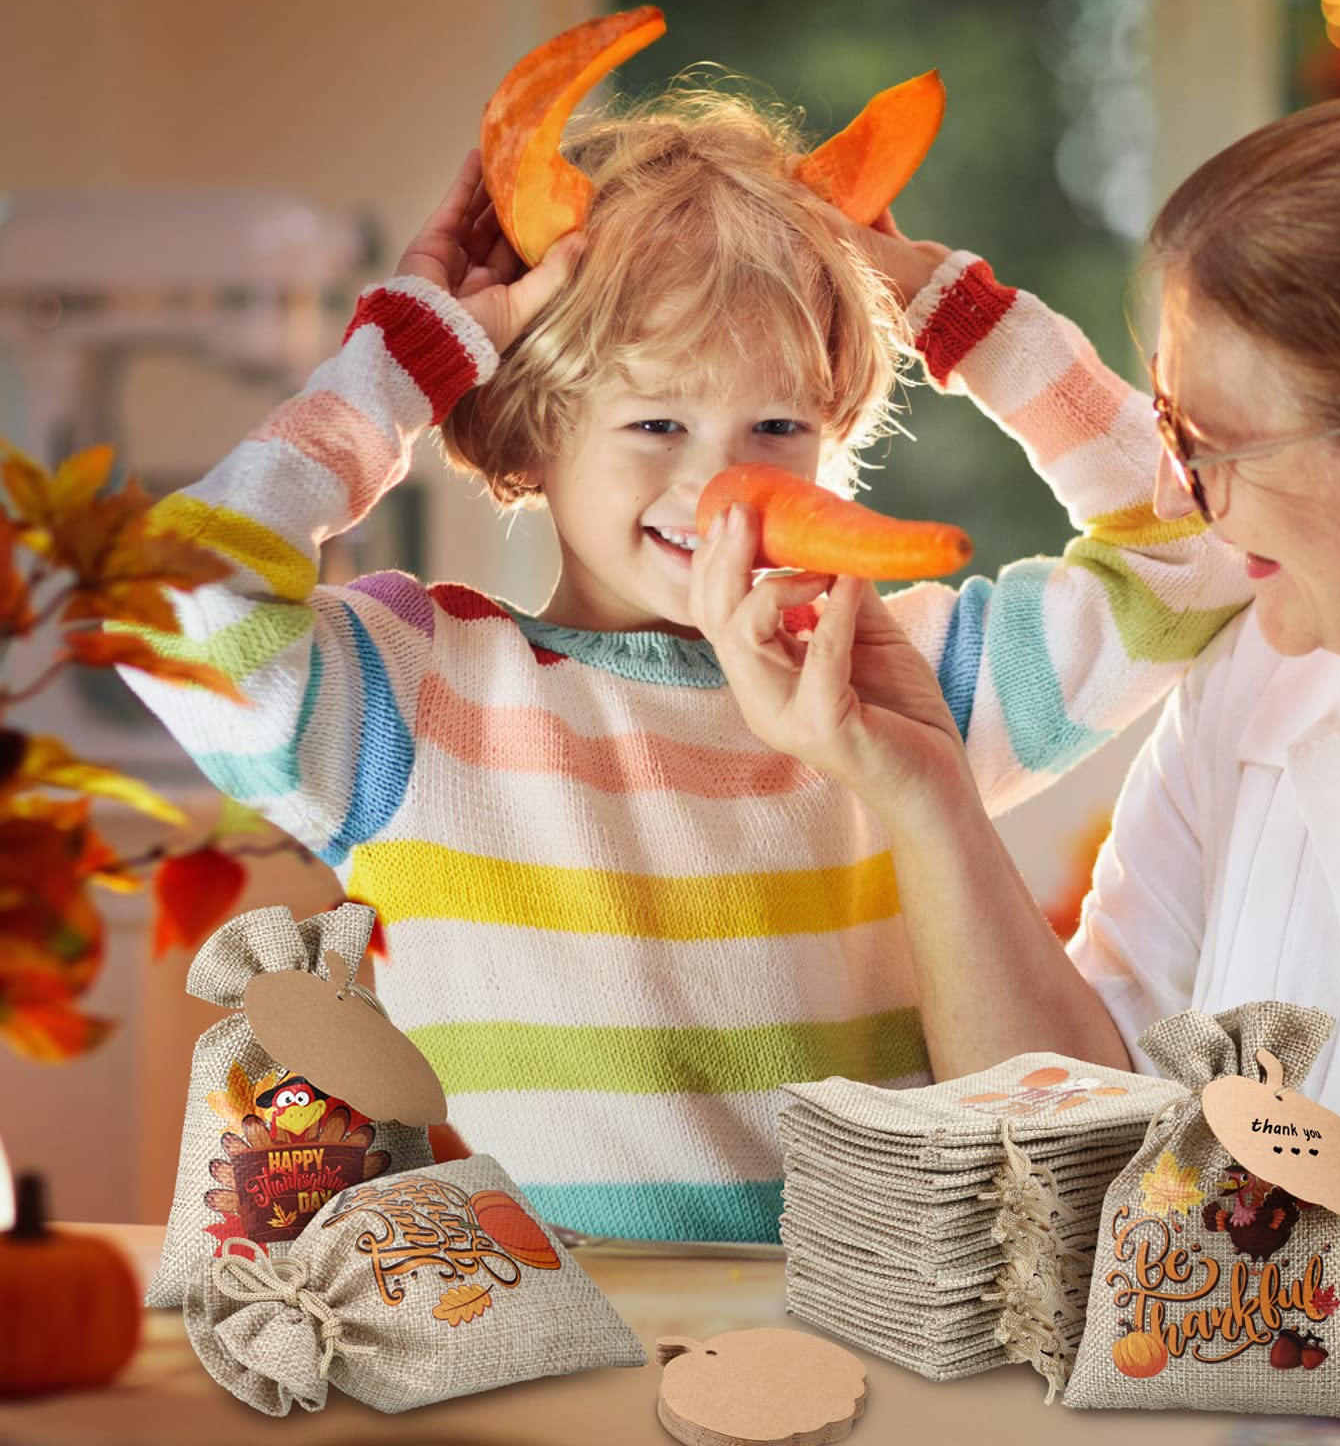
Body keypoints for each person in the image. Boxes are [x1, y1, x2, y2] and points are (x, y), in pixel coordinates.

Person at [115, 82, 1246, 1245]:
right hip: (558, 1347)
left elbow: (1193, 555)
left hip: (876, 1324)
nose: (719, 483)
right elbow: (175, 604)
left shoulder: (889, 684)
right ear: (530, 431)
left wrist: (958, 316)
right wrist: (410, 358)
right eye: (657, 423)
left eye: (777, 426)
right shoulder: (426, 696)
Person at [693, 90, 1340, 1258]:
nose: (1174, 498)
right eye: (1172, 435)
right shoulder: (1255, 678)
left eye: (1213, 450)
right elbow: (1076, 1145)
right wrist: (923, 790)